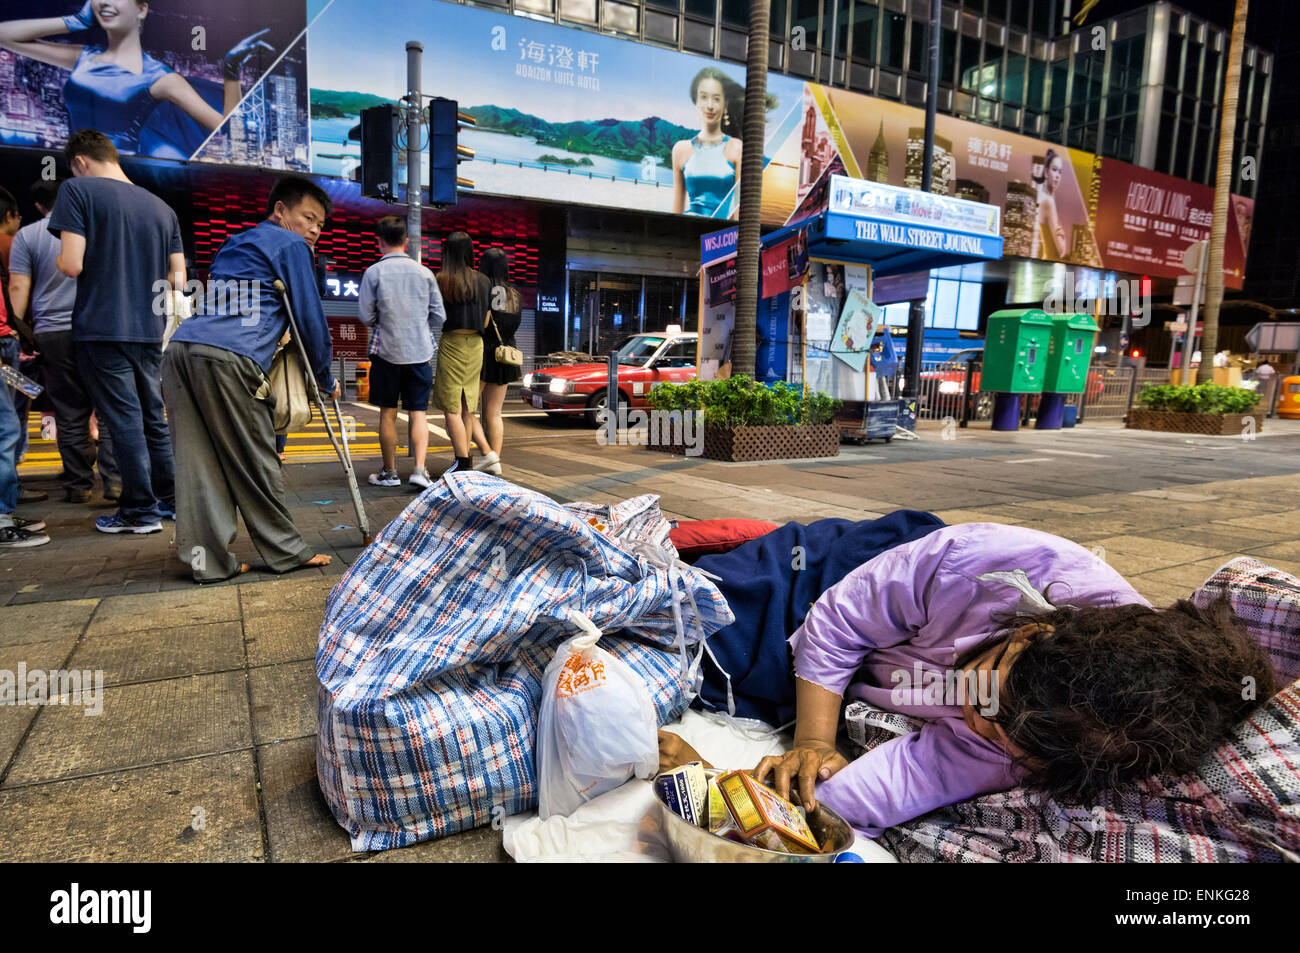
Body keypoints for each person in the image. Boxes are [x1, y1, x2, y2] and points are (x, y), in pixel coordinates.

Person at [658, 523, 1277, 836]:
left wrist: (720, 795)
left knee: (736, 683)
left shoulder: (1072, 738)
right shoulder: (990, 562)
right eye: (995, 691)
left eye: (1009, 738)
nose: (978, 720)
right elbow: (840, 621)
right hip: (858, 574)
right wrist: (818, 740)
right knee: (709, 612)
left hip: (888, 659)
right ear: (1035, 629)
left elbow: (888, 788)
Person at [162, 175, 338, 583]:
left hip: (182, 349)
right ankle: (287, 552)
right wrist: (324, 379)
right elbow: (310, 318)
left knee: (196, 463)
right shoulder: (292, 245)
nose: (314, 229)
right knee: (256, 458)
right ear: (280, 210)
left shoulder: (235, 243)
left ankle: (207, 564)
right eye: (308, 217)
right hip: (230, 358)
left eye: (320, 225)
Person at [50, 129, 181, 534]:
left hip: (102, 326)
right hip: (149, 327)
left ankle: (139, 511)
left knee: (122, 419)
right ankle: (171, 500)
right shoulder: (161, 207)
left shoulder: (77, 190)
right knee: (151, 417)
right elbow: (178, 279)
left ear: (80, 162)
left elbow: (71, 265)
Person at [0, 2, 273, 157]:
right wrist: (74, 21)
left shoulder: (160, 77)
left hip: (123, 172)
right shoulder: (83, 57)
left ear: (142, 9)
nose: (104, 1)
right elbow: (5, 36)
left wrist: (231, 70)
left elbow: (226, 127)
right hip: (76, 171)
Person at [8, 178, 119, 503]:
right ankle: (115, 482)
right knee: (109, 408)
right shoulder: (95, 229)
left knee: (70, 411)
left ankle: (79, 485)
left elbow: (18, 288)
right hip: (99, 327)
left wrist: (18, 330)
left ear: (41, 206)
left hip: (52, 331)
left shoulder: (27, 235)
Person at [358, 215, 445, 490]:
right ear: (406, 241)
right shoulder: (425, 273)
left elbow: (364, 315)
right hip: (419, 352)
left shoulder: (373, 272)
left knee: (387, 413)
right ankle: (420, 470)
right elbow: (439, 315)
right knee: (419, 412)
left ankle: (390, 472)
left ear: (379, 242)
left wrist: (383, 320)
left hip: (386, 352)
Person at [433, 231, 491, 476]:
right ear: (470, 251)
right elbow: (487, 320)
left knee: (451, 406)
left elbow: (435, 315)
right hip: (476, 344)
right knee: (469, 406)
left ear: (447, 252)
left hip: (452, 342)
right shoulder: (483, 280)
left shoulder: (441, 278)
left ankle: (462, 460)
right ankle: (464, 459)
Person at [470, 247, 521, 476]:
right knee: (495, 413)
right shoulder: (514, 294)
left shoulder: (484, 290)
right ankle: (495, 460)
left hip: (484, 351)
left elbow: (481, 323)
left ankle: (487, 453)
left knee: (467, 410)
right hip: (507, 352)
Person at [671, 68, 744, 218]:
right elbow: (675, 214)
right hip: (688, 233)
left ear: (725, 104)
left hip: (721, 237)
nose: (709, 105)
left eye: (716, 98)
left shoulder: (736, 148)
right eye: (704, 97)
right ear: (696, 101)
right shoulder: (680, 149)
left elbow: (738, 213)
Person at [1031, 148, 1067, 260]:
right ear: (1046, 172)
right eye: (1054, 170)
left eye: (1060, 172)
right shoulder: (1048, 202)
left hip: (1047, 261)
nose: (1058, 175)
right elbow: (1060, 251)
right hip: (1050, 263)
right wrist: (1064, 238)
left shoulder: (1046, 198)